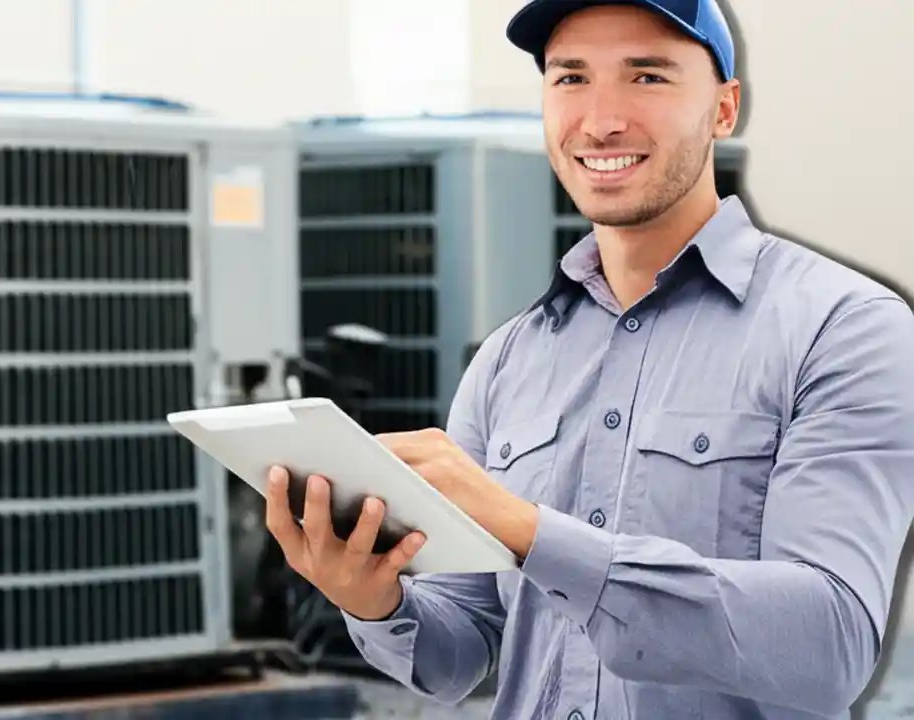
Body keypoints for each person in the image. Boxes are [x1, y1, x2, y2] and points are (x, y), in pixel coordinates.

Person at [263, 0, 914, 717]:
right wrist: (373, 598)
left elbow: (832, 645)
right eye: (571, 79)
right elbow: (459, 651)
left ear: (724, 110)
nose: (601, 119)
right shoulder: (510, 359)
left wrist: (532, 533)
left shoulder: (844, 328)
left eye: (647, 78)